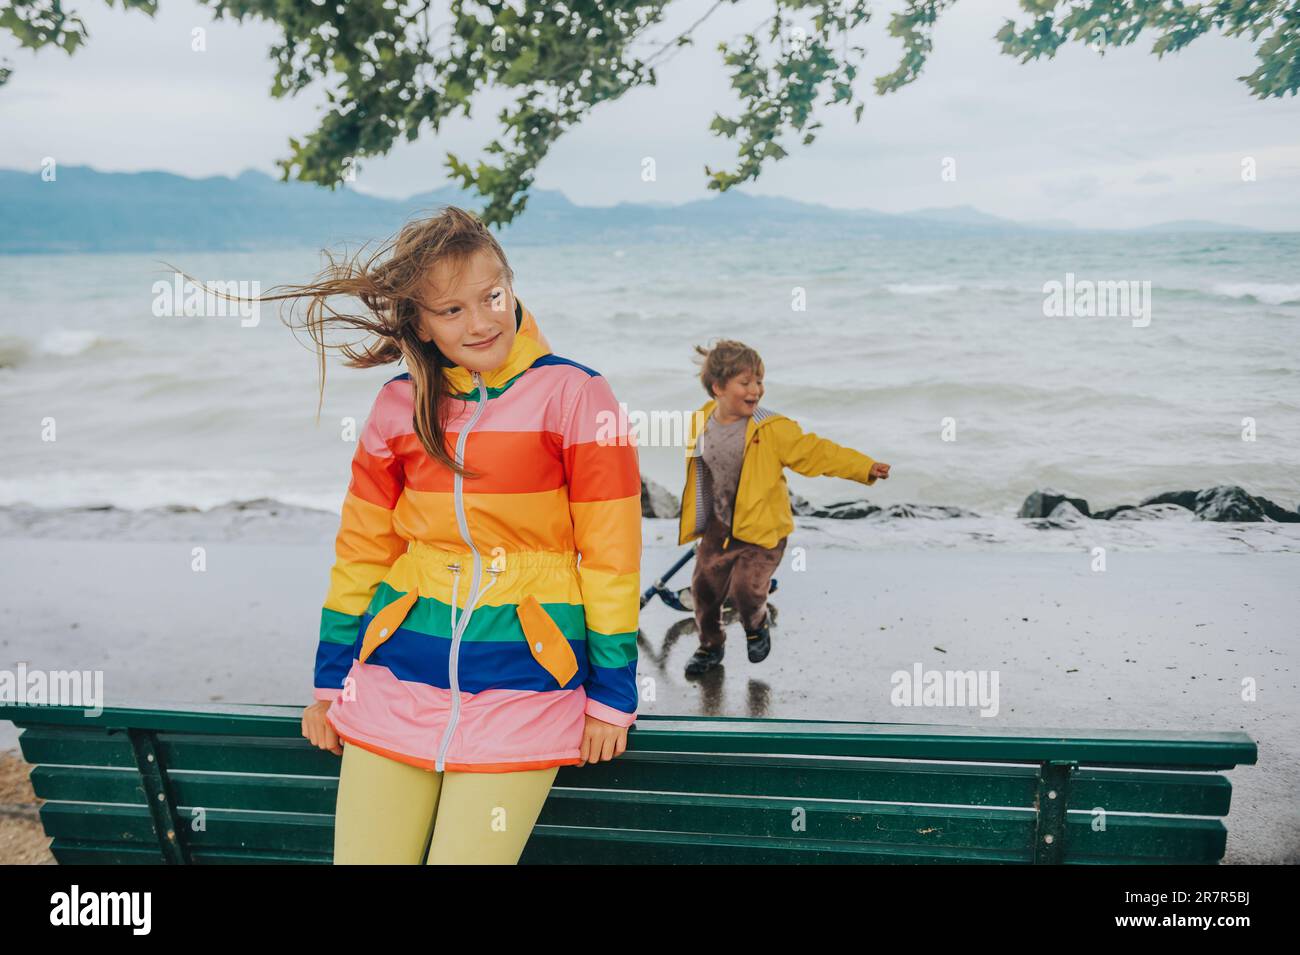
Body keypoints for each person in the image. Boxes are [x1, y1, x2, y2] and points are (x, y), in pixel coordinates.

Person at [286, 207, 641, 863]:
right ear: (419, 322)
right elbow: (365, 548)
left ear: (512, 285)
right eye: (451, 310)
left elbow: (611, 555)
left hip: (525, 681)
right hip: (395, 672)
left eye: (492, 296)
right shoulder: (399, 406)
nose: (481, 322)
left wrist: (613, 695)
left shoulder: (577, 395)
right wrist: (333, 680)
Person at [678, 339, 889, 677]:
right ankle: (710, 647)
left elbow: (816, 452)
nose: (756, 390)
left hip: (763, 531)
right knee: (704, 592)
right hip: (719, 528)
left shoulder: (772, 428)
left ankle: (757, 623)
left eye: (759, 381)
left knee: (746, 590)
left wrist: (863, 467)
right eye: (745, 382)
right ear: (717, 387)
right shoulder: (700, 422)